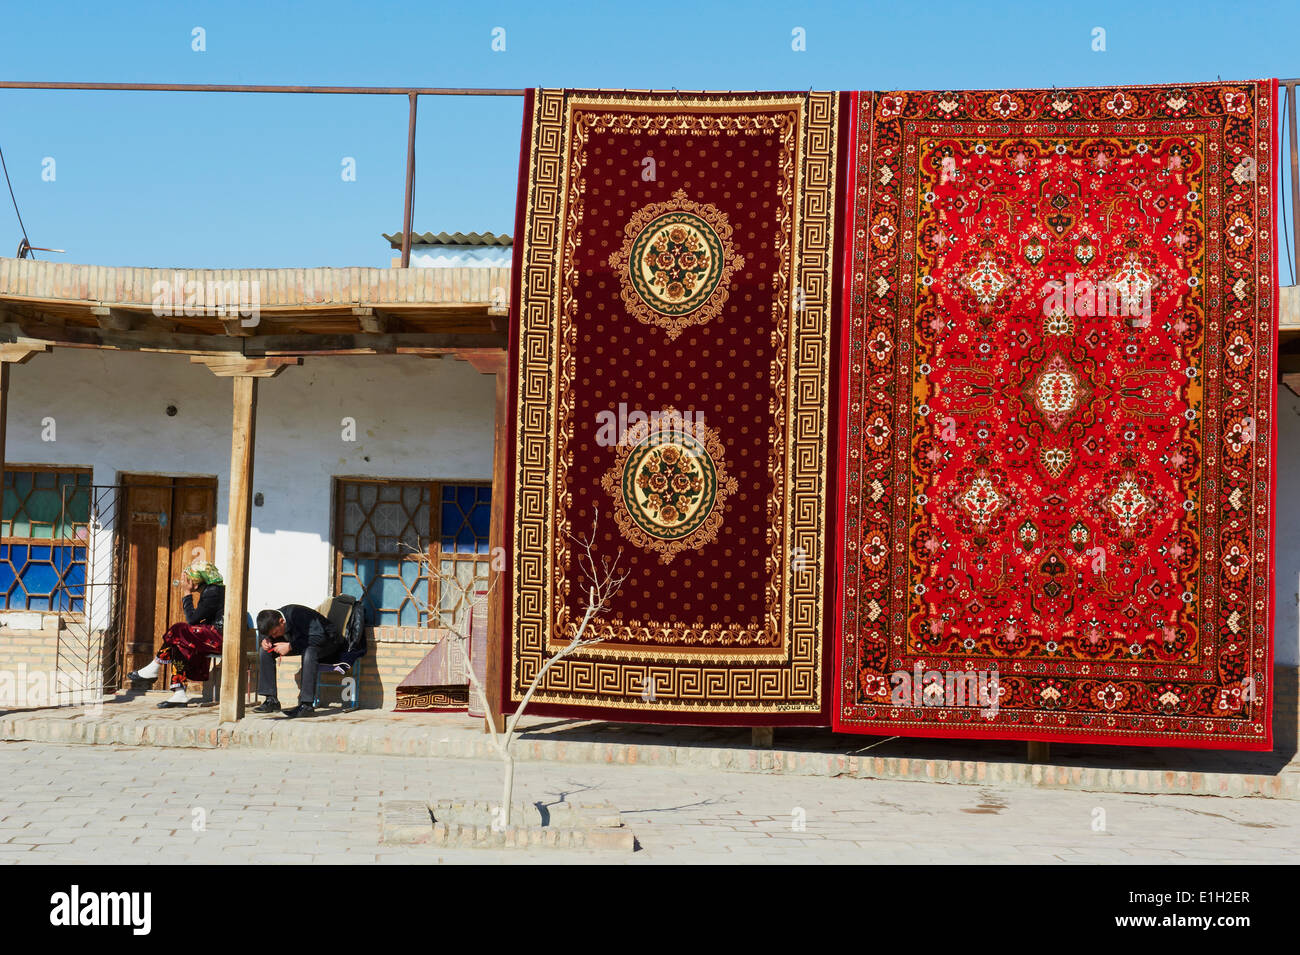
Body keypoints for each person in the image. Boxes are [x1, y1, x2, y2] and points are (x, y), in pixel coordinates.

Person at [127, 560, 226, 708]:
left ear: (196, 581)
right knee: (178, 644)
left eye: (188, 579)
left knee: (179, 629)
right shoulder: (212, 590)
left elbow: (192, 619)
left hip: (218, 637)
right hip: (210, 635)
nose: (184, 582)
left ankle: (154, 667)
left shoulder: (213, 592)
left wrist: (186, 593)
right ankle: (179, 693)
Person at [252, 604, 343, 718]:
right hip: (301, 643)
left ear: (282, 621)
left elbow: (319, 637)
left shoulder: (299, 614)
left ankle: (306, 706)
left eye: (275, 633)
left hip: (329, 642)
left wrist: (290, 646)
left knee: (309, 652)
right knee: (265, 651)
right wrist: (265, 640)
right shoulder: (272, 620)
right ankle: (271, 700)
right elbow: (266, 633)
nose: (274, 636)